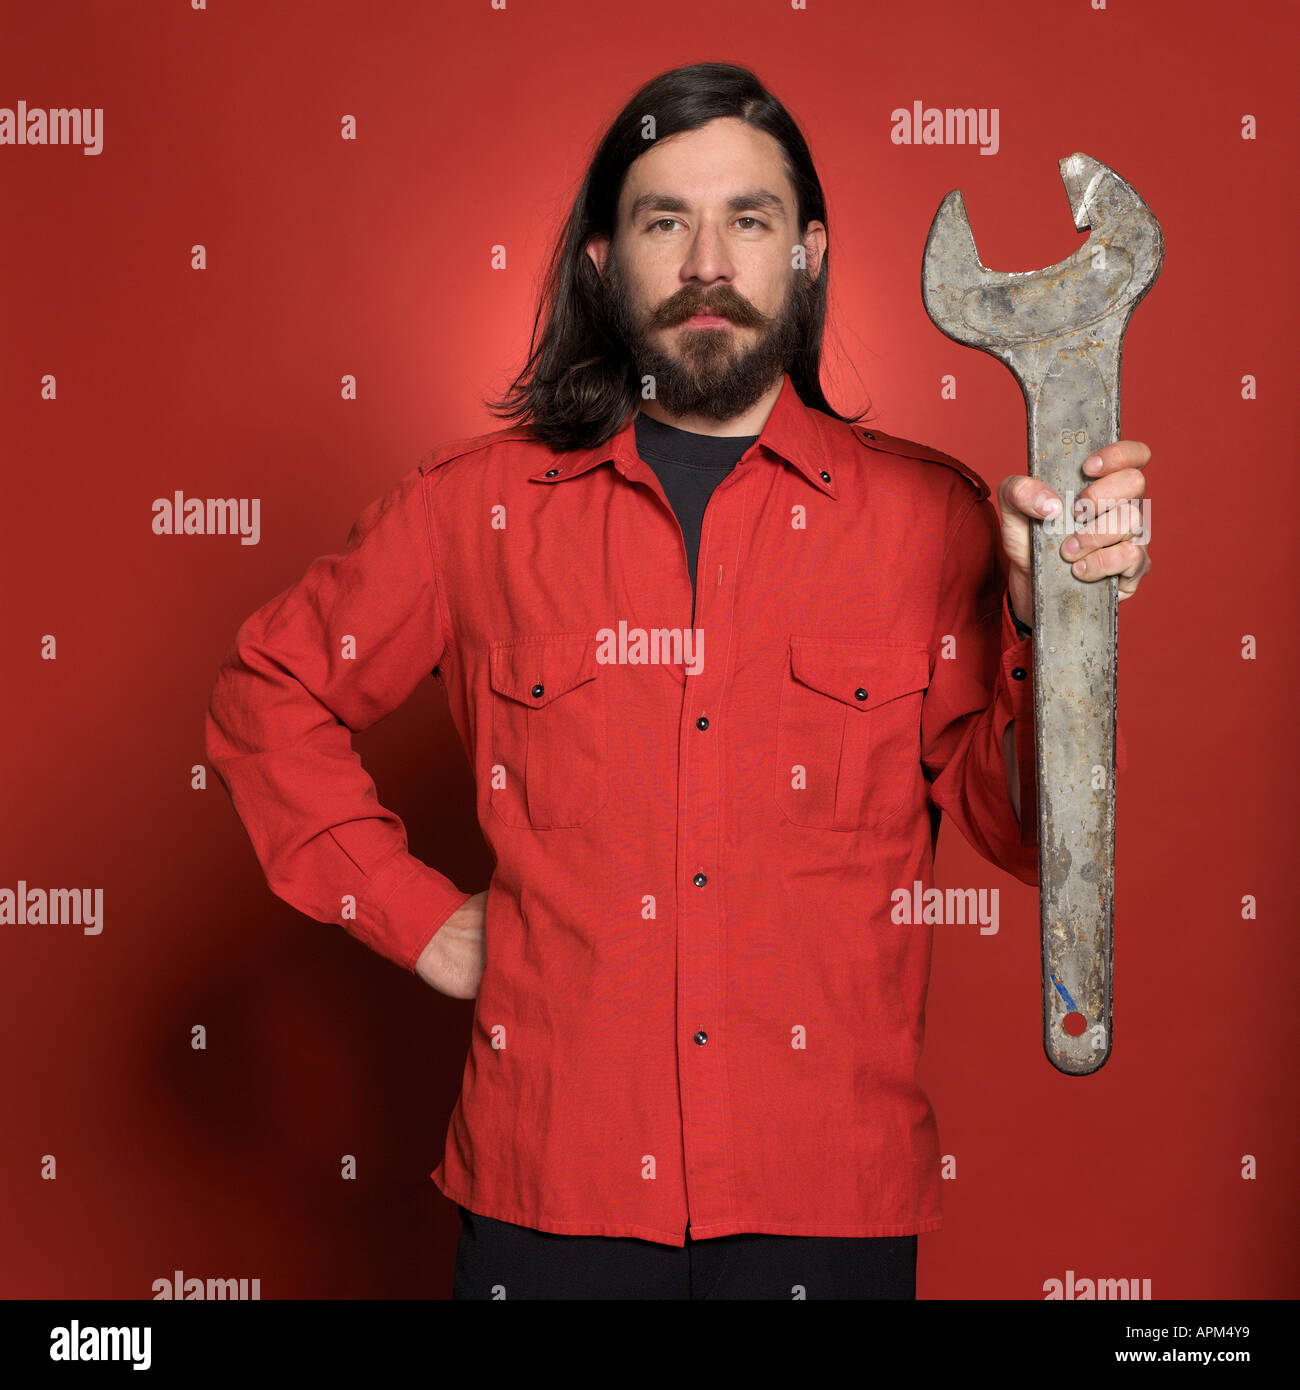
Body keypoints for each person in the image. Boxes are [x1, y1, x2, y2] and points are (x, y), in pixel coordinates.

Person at [204, 61, 1152, 1301]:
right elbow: (266, 695)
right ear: (603, 259)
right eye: (665, 220)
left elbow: (1023, 831)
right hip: (550, 1199)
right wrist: (416, 917)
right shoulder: (470, 513)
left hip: (827, 1203)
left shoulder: (935, 521)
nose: (709, 260)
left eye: (748, 220)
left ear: (806, 253)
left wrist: (1061, 622)